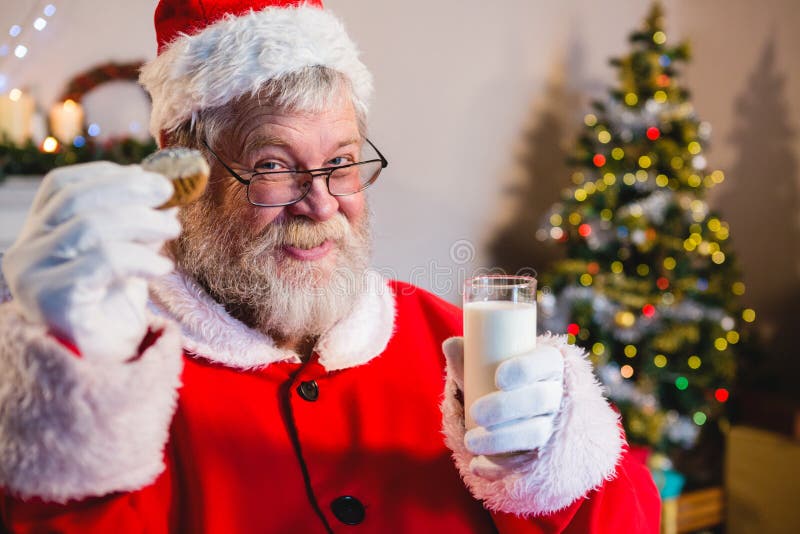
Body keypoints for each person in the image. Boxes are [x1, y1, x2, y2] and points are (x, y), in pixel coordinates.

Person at [0, 1, 660, 532]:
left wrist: (554, 474)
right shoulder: (111, 380)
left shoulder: (456, 346)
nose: (320, 202)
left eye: (341, 162)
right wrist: (68, 383)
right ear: (189, 171)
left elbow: (627, 518)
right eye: (272, 166)